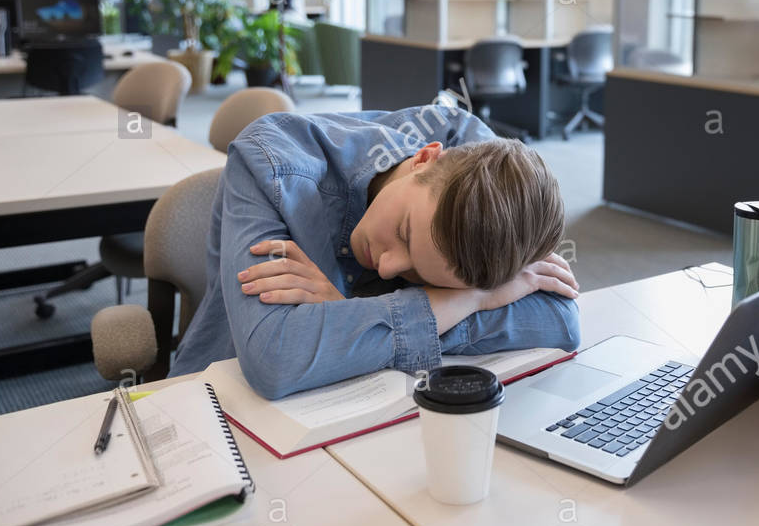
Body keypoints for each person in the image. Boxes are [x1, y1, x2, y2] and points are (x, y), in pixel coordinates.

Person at [169, 100, 581, 398]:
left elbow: (561, 321)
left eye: (423, 276)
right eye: (403, 233)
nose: (386, 269)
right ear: (425, 160)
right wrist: (466, 300)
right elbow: (275, 360)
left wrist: (346, 317)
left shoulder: (492, 179)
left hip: (365, 411)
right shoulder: (271, 160)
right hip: (223, 405)